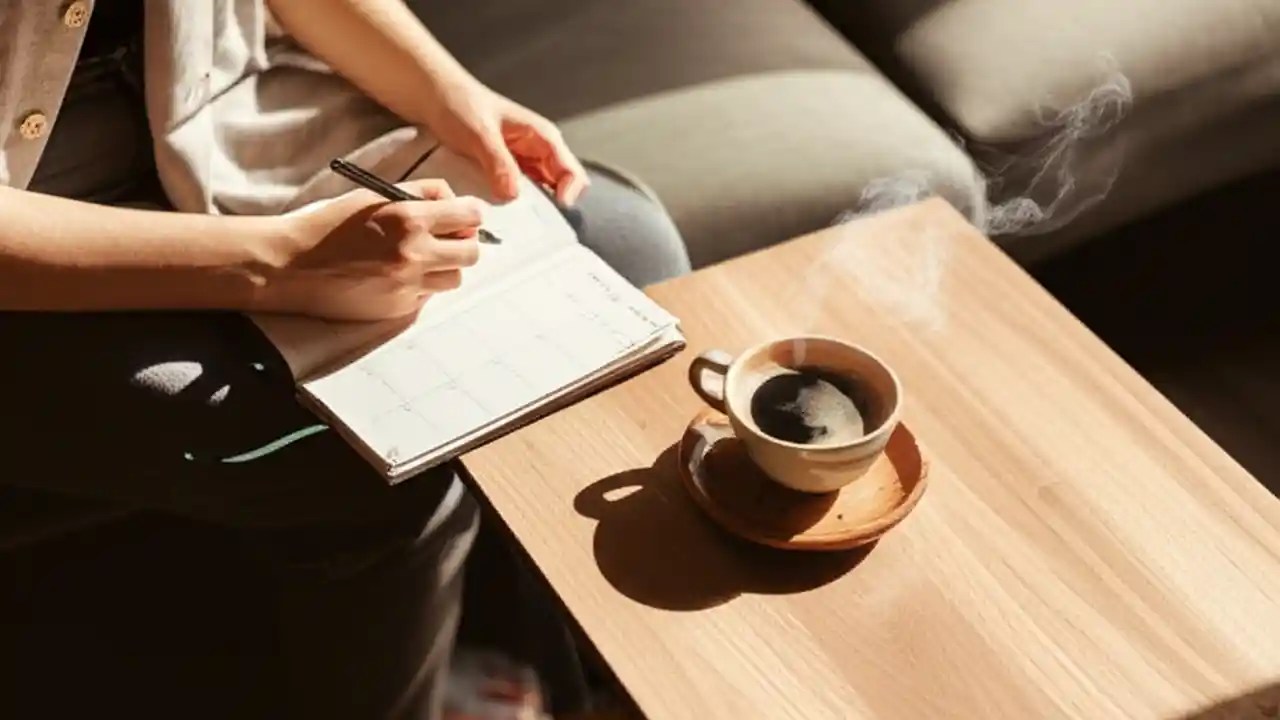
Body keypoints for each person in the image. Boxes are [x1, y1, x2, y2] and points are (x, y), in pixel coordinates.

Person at [0, 1, 692, 718]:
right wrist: (279, 262)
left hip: (212, 112)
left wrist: (448, 92)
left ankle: (582, 671)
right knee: (371, 463)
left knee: (629, 247)